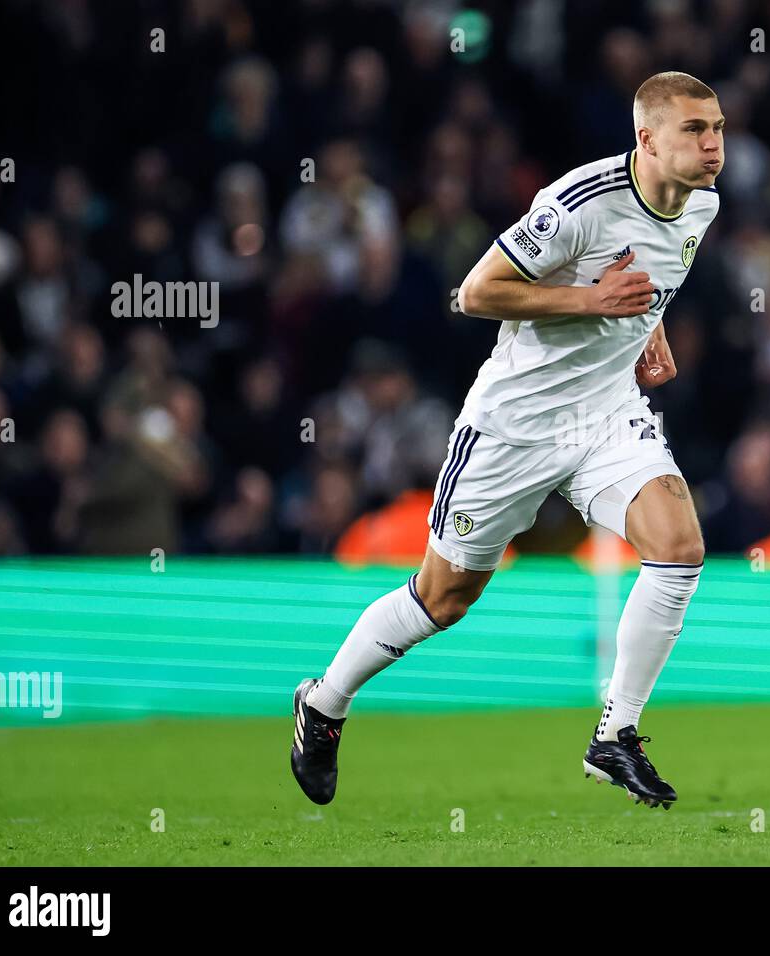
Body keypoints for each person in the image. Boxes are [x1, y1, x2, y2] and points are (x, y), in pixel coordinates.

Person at [290, 72, 724, 809]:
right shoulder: (576, 204)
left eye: (716, 128)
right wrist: (593, 303)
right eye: (694, 130)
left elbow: (643, 273)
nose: (712, 145)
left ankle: (614, 737)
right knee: (443, 598)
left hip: (606, 413)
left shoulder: (702, 205)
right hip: (516, 423)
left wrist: (647, 327)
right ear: (646, 139)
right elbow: (474, 293)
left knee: (679, 546)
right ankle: (323, 703)